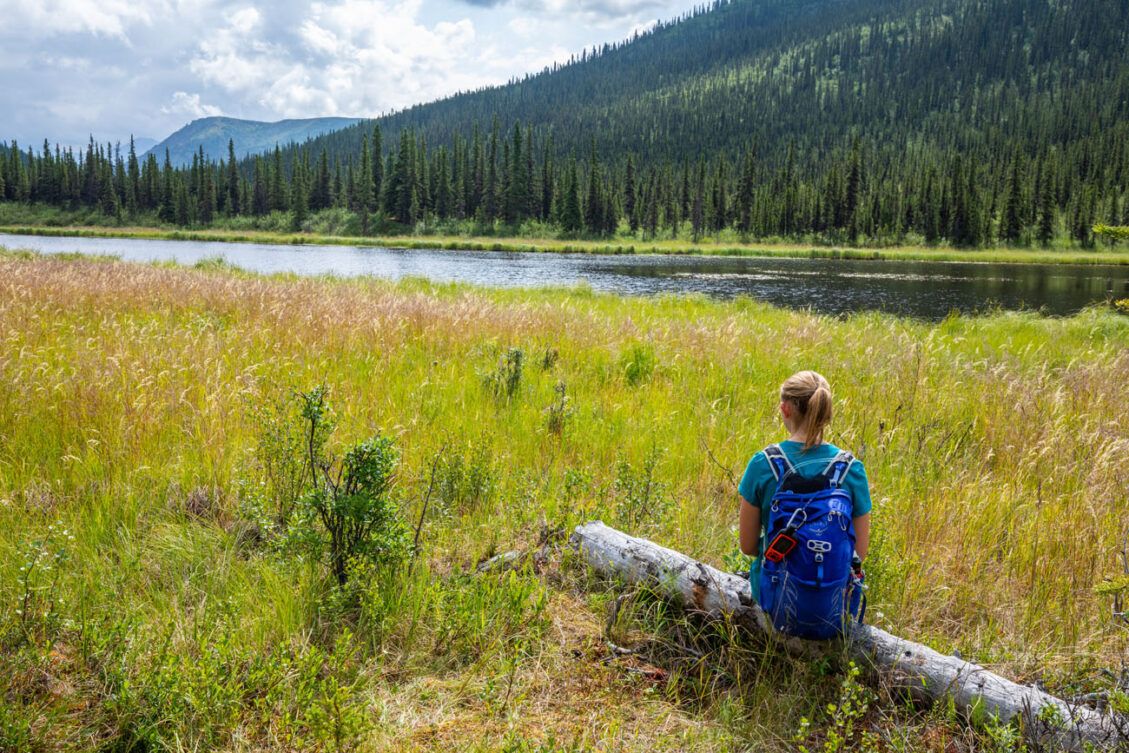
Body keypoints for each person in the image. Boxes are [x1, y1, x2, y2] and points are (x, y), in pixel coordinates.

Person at [737, 370, 872, 637]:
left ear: (785, 409)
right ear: (827, 412)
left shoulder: (762, 464)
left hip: (774, 604)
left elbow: (748, 546)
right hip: (832, 607)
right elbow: (860, 551)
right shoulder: (851, 470)